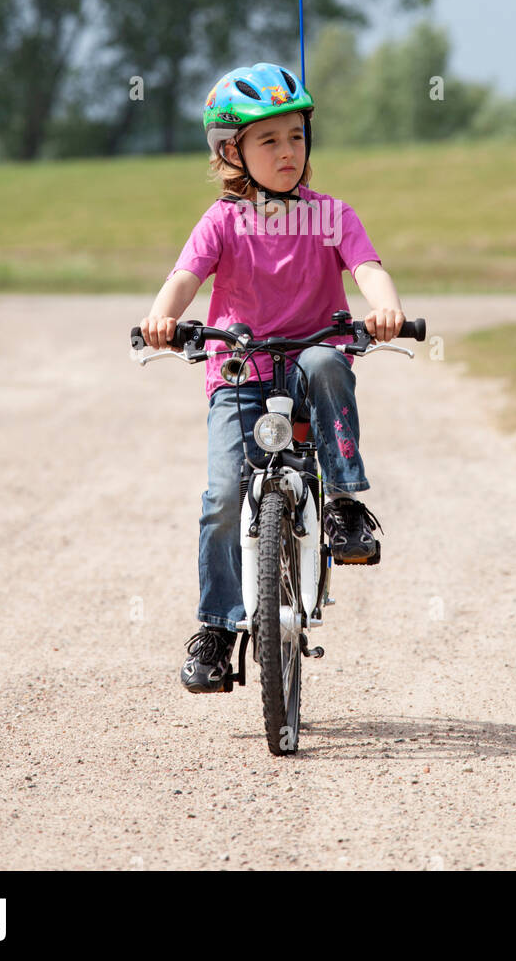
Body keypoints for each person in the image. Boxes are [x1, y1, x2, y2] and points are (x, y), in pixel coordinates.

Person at [139, 61, 406, 692]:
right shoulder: (223, 221)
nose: (288, 151)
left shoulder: (331, 215)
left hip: (308, 364)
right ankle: (217, 627)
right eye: (268, 140)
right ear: (232, 151)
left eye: (296, 136)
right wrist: (160, 319)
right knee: (222, 497)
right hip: (239, 371)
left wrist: (384, 306)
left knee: (326, 360)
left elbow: (367, 268)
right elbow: (184, 279)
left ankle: (342, 505)